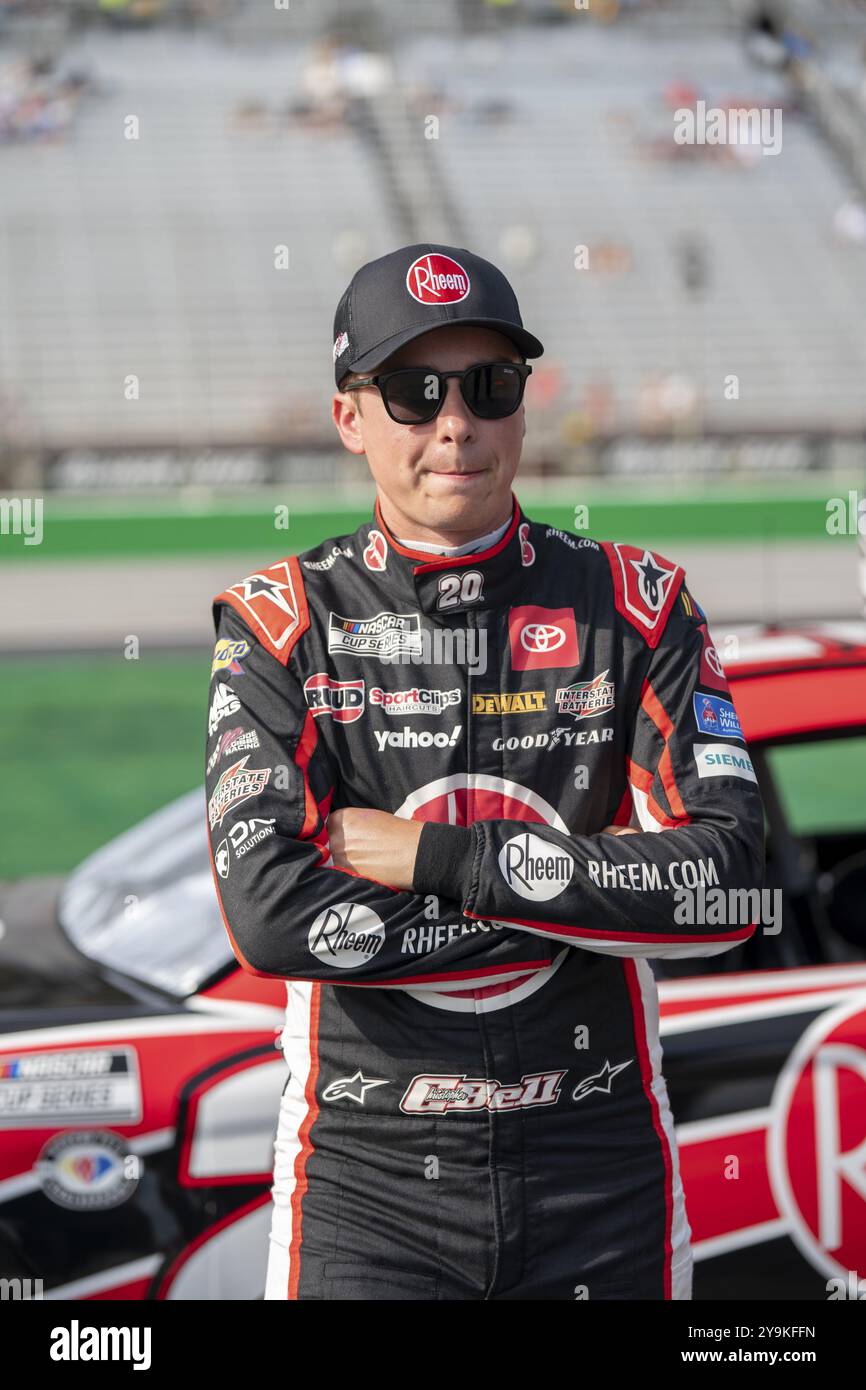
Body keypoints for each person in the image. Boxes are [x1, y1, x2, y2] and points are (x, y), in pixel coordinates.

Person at [205, 243, 765, 1301]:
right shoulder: (281, 627)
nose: (453, 422)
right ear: (350, 418)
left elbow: (726, 885)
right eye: (414, 391)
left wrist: (437, 858)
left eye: (487, 386)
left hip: (599, 1176)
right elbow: (273, 921)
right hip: (366, 1191)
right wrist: (592, 891)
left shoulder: (637, 604)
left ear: (519, 408)